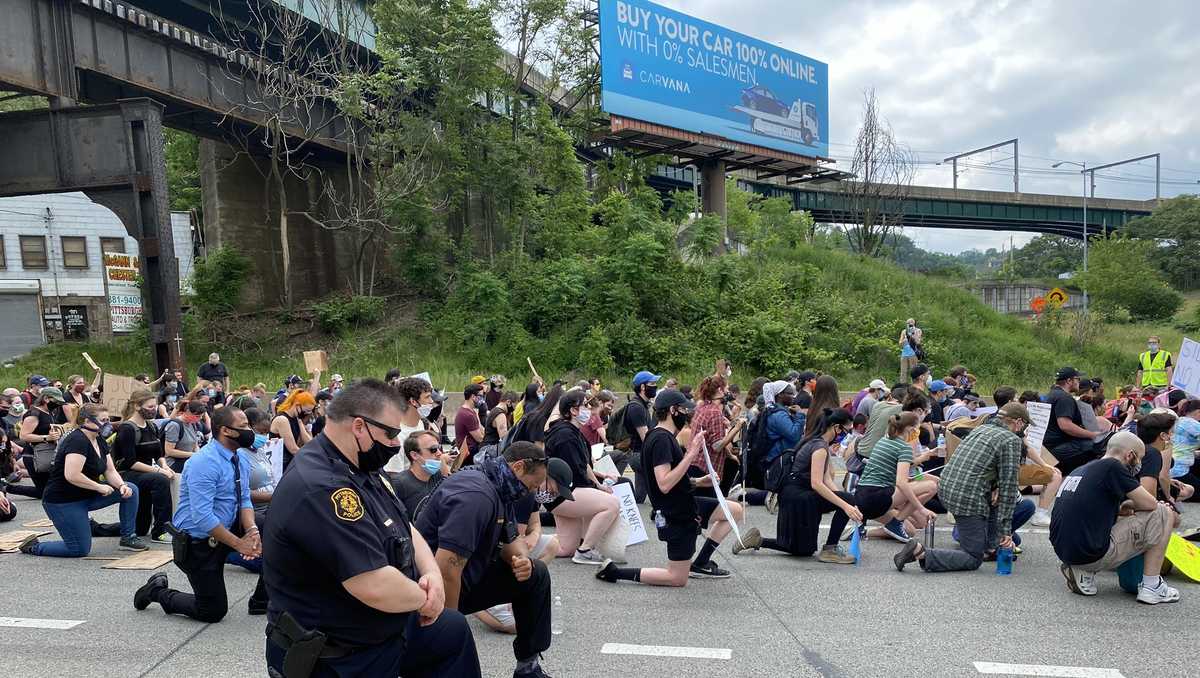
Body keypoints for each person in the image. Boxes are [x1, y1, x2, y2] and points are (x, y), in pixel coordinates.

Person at [260, 379, 481, 677]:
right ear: (359, 427)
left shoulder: (361, 465)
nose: (396, 443)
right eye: (390, 433)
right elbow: (373, 584)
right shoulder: (321, 486)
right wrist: (427, 599)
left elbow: (404, 524)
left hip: (379, 628)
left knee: (451, 631)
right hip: (338, 653)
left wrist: (431, 573)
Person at [417, 441, 567, 678]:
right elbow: (446, 569)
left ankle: (528, 668)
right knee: (454, 643)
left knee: (536, 574)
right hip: (429, 589)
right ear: (518, 467)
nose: (531, 492)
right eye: (532, 485)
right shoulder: (476, 495)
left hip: (465, 577)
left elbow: (512, 539)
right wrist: (449, 632)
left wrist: (522, 560)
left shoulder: (500, 485)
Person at [596, 389, 747, 586]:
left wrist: (698, 481)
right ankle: (614, 573)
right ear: (673, 410)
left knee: (733, 510)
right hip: (676, 514)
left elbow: (668, 479)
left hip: (684, 504)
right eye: (684, 410)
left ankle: (701, 562)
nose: (687, 415)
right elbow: (664, 483)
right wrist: (691, 455)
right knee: (676, 578)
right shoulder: (661, 439)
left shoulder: (657, 436)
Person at [134, 406, 266, 621]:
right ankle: (156, 591)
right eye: (243, 426)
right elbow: (202, 517)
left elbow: (243, 499)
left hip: (226, 525)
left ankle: (262, 601)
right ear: (226, 430)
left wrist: (252, 530)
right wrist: (239, 544)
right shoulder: (204, 462)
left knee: (276, 529)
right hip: (198, 541)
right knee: (212, 611)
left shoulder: (239, 457)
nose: (250, 431)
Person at [894, 403, 1034, 572]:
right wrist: (1005, 532)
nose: (1024, 430)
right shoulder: (1011, 440)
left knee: (995, 505)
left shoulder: (980, 429)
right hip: (967, 497)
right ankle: (921, 552)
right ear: (1018, 422)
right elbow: (1009, 489)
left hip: (947, 488)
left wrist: (996, 486)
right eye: (1025, 425)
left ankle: (991, 545)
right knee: (973, 558)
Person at [1051, 431, 1181, 605]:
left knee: (1126, 517)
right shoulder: (1113, 466)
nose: (1140, 464)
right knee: (1163, 512)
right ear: (1130, 455)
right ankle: (1152, 587)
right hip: (1092, 554)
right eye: (1140, 458)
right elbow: (1150, 503)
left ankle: (1083, 571)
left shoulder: (1083, 469)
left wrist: (1123, 507)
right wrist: (1134, 504)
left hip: (1066, 552)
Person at [17, 403, 147, 556]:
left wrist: (121, 485)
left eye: (108, 420)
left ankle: (128, 537)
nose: (108, 424)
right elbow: (72, 475)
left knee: (131, 489)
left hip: (86, 495)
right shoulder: (77, 440)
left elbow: (110, 470)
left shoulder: (98, 439)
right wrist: (99, 487)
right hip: (63, 501)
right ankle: (33, 547)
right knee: (78, 549)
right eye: (103, 420)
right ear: (87, 421)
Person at [734, 407, 860, 563]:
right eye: (846, 431)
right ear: (836, 427)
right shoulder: (820, 448)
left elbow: (827, 480)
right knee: (847, 501)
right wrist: (846, 505)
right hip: (800, 497)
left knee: (803, 550)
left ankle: (758, 540)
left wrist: (845, 503)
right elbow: (817, 483)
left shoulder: (813, 441)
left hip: (792, 494)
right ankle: (830, 549)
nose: (846, 436)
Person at [544, 390, 620, 565]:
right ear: (573, 410)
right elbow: (576, 473)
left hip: (558, 494)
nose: (590, 409)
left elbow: (583, 464)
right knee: (612, 504)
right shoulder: (565, 435)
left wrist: (599, 484)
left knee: (565, 549)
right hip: (563, 493)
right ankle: (585, 550)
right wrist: (597, 489)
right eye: (585, 405)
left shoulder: (570, 430)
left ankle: (523, 544)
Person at [854, 412, 938, 542]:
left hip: (862, 498)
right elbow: (901, 482)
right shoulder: (904, 448)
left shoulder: (884, 440)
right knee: (932, 486)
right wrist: (921, 509)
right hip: (876, 498)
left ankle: (862, 532)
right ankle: (896, 523)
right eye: (918, 428)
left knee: (910, 531)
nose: (918, 432)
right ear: (910, 429)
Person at [112, 390, 175, 543]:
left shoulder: (152, 426)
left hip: (146, 474)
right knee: (160, 480)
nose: (154, 409)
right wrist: (159, 471)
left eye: (155, 406)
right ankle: (161, 531)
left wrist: (165, 466)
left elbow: (159, 454)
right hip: (128, 474)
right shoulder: (127, 428)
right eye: (150, 406)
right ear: (137, 406)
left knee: (140, 528)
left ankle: (95, 527)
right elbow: (130, 462)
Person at [689, 376, 744, 496]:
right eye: (726, 389)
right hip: (704, 468)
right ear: (720, 390)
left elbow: (710, 440)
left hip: (695, 464)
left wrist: (730, 456)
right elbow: (717, 446)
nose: (728, 392)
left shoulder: (703, 406)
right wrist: (736, 428)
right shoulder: (714, 412)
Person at [1043, 367, 1102, 475]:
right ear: (1069, 381)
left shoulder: (1051, 394)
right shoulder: (1064, 398)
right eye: (1077, 379)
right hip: (1058, 448)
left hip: (1047, 447)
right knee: (1099, 446)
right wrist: (1092, 434)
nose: (1079, 381)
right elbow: (1065, 425)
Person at [12, 386, 66, 500]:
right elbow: (24, 436)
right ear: (46, 399)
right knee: (44, 492)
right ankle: (7, 488)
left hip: (46, 453)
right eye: (56, 401)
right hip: (33, 456)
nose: (58, 404)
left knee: (50, 490)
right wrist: (47, 437)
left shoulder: (49, 412)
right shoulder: (34, 414)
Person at [1135, 410, 1191, 504]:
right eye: (1171, 432)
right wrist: (1167, 500)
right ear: (1163, 436)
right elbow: (1149, 493)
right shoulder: (1152, 454)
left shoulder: (1142, 447)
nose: (1173, 436)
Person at [622, 371, 661, 504]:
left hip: (637, 453)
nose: (655, 386)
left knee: (639, 497)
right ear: (643, 387)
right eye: (652, 384)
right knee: (663, 481)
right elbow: (646, 438)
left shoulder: (642, 405)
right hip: (639, 455)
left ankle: (624, 501)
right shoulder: (636, 408)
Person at [390, 430, 448, 516]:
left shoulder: (437, 476)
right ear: (414, 455)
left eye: (439, 448)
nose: (439, 453)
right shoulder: (399, 483)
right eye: (433, 449)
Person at [271, 390, 315, 471]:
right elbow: (293, 449)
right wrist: (312, 458)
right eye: (307, 411)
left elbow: (307, 440)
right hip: (280, 465)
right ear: (297, 405)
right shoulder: (282, 420)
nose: (308, 414)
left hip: (288, 462)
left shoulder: (296, 418)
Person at [164, 400, 207, 474]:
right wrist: (193, 454)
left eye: (201, 416)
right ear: (187, 413)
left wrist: (199, 454)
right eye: (197, 416)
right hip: (175, 463)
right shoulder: (174, 425)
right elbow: (169, 451)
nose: (200, 418)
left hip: (188, 460)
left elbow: (195, 445)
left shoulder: (192, 424)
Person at [1171, 400, 1200, 498]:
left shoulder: (1180, 421)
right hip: (1179, 470)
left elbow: (1182, 447)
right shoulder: (1193, 424)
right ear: (1198, 412)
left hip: (1171, 465)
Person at [481, 391, 517, 461]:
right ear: (508, 402)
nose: (514, 409)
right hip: (491, 450)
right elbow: (504, 437)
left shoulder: (494, 410)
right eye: (515, 405)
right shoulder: (500, 414)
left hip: (487, 448)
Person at [455, 384, 485, 460]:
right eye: (481, 396)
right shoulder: (467, 414)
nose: (482, 399)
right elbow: (480, 438)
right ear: (473, 397)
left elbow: (481, 428)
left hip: (471, 450)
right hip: (469, 453)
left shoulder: (471, 411)